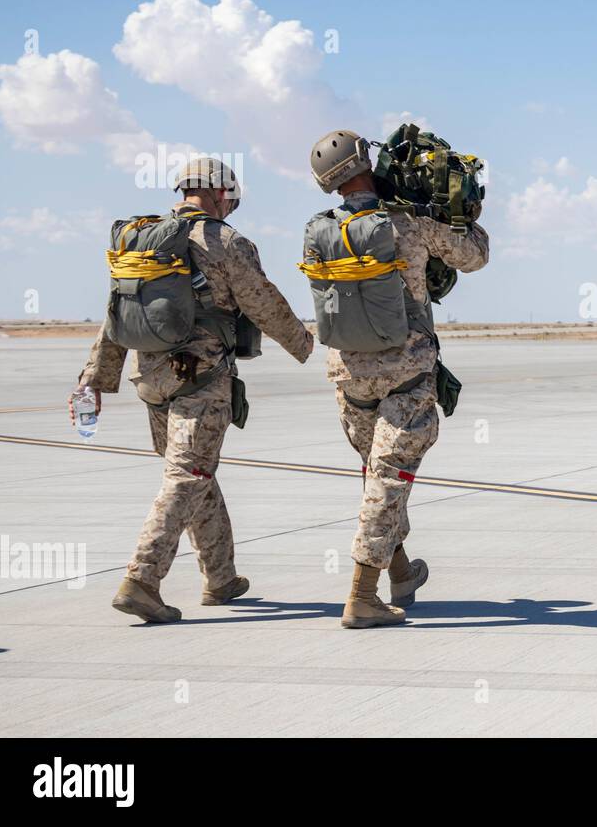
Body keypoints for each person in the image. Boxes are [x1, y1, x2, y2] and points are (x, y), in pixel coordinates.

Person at [71, 158, 314, 623]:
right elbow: (262, 300)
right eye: (232, 200)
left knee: (197, 473)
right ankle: (142, 580)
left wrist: (94, 381)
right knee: (187, 477)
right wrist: (303, 343)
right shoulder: (226, 242)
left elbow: (114, 317)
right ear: (221, 194)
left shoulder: (142, 240)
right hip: (201, 380)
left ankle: (220, 578)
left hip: (153, 381)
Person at [306, 130, 489, 628]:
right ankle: (362, 595)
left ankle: (402, 574)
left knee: (378, 478)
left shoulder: (319, 230)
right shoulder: (408, 225)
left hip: (349, 375)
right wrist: (466, 213)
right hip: (405, 373)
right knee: (389, 479)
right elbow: (473, 256)